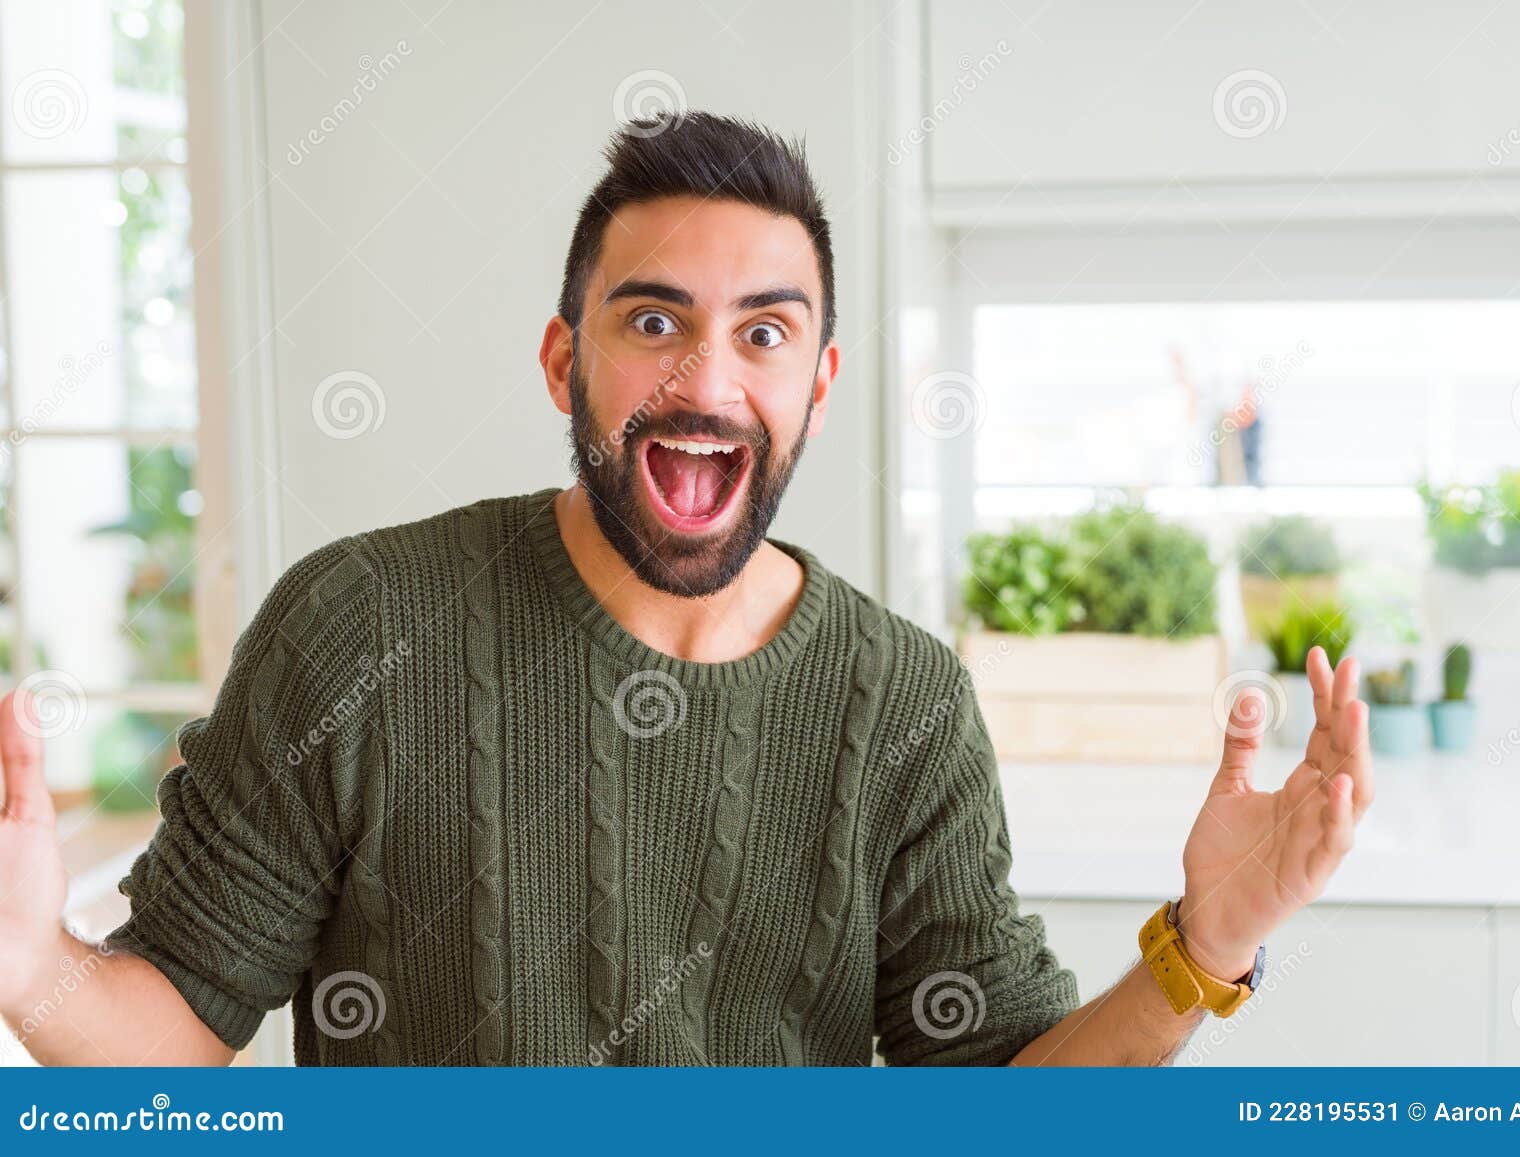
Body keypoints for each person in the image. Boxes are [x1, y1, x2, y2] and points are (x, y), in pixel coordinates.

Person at [0, 112, 1372, 1066]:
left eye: (762, 332)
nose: (706, 382)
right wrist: (31, 970)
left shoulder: (898, 700)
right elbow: (174, 1033)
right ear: (563, 361)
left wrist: (1209, 942)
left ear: (817, 386)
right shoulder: (358, 626)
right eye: (652, 319)